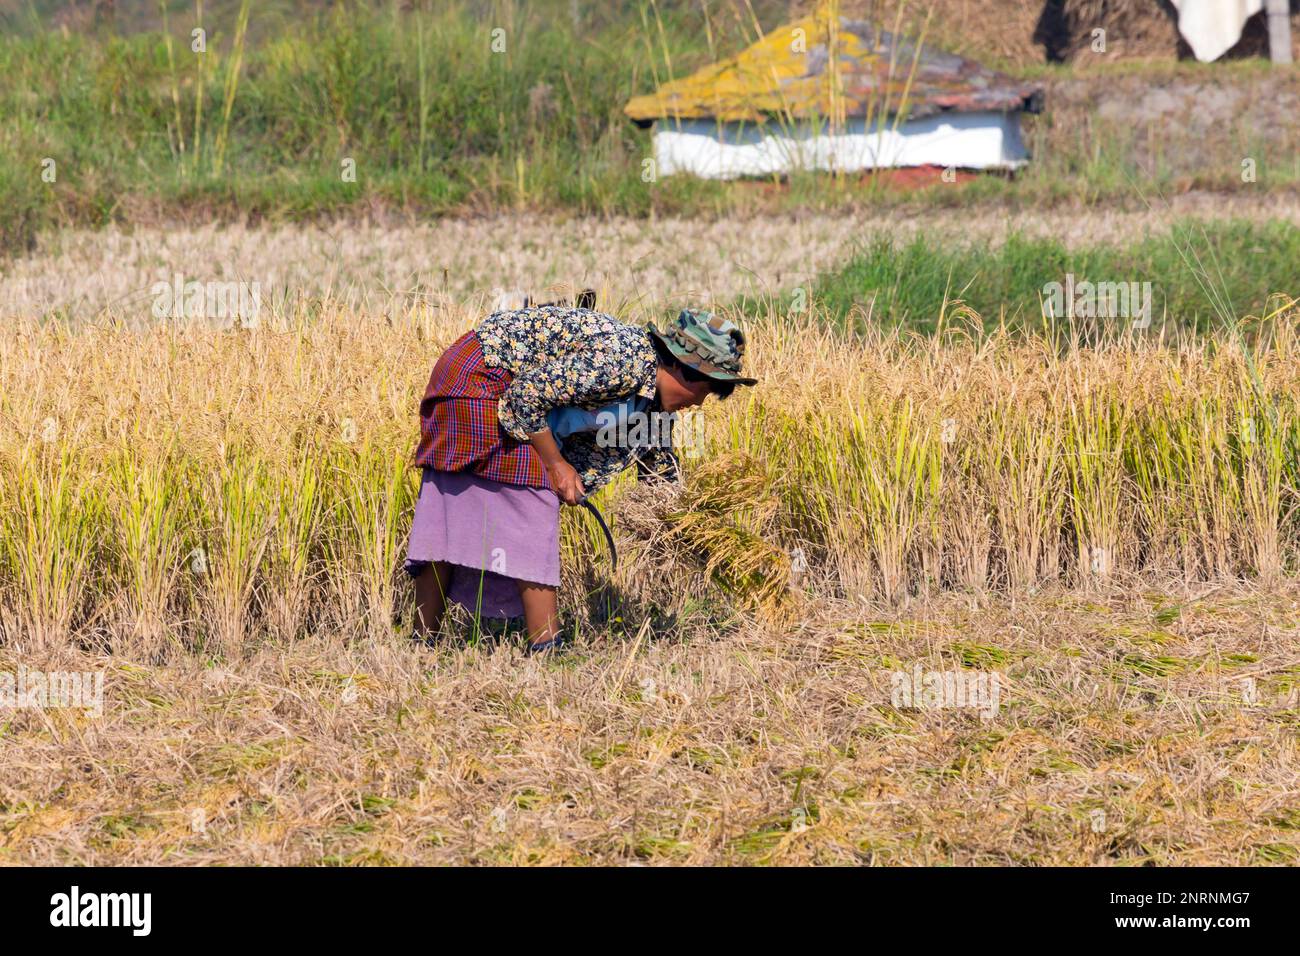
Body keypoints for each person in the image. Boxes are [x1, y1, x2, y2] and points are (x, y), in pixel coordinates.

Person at [405, 305, 757, 653]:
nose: (698, 405)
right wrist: (556, 465)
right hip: (478, 378)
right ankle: (545, 647)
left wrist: (703, 533)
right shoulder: (623, 363)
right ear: (684, 370)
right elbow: (524, 398)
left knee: (457, 506)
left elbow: (661, 476)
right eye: (704, 392)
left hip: (496, 387)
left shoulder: (652, 410)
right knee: (531, 503)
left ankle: (424, 643)